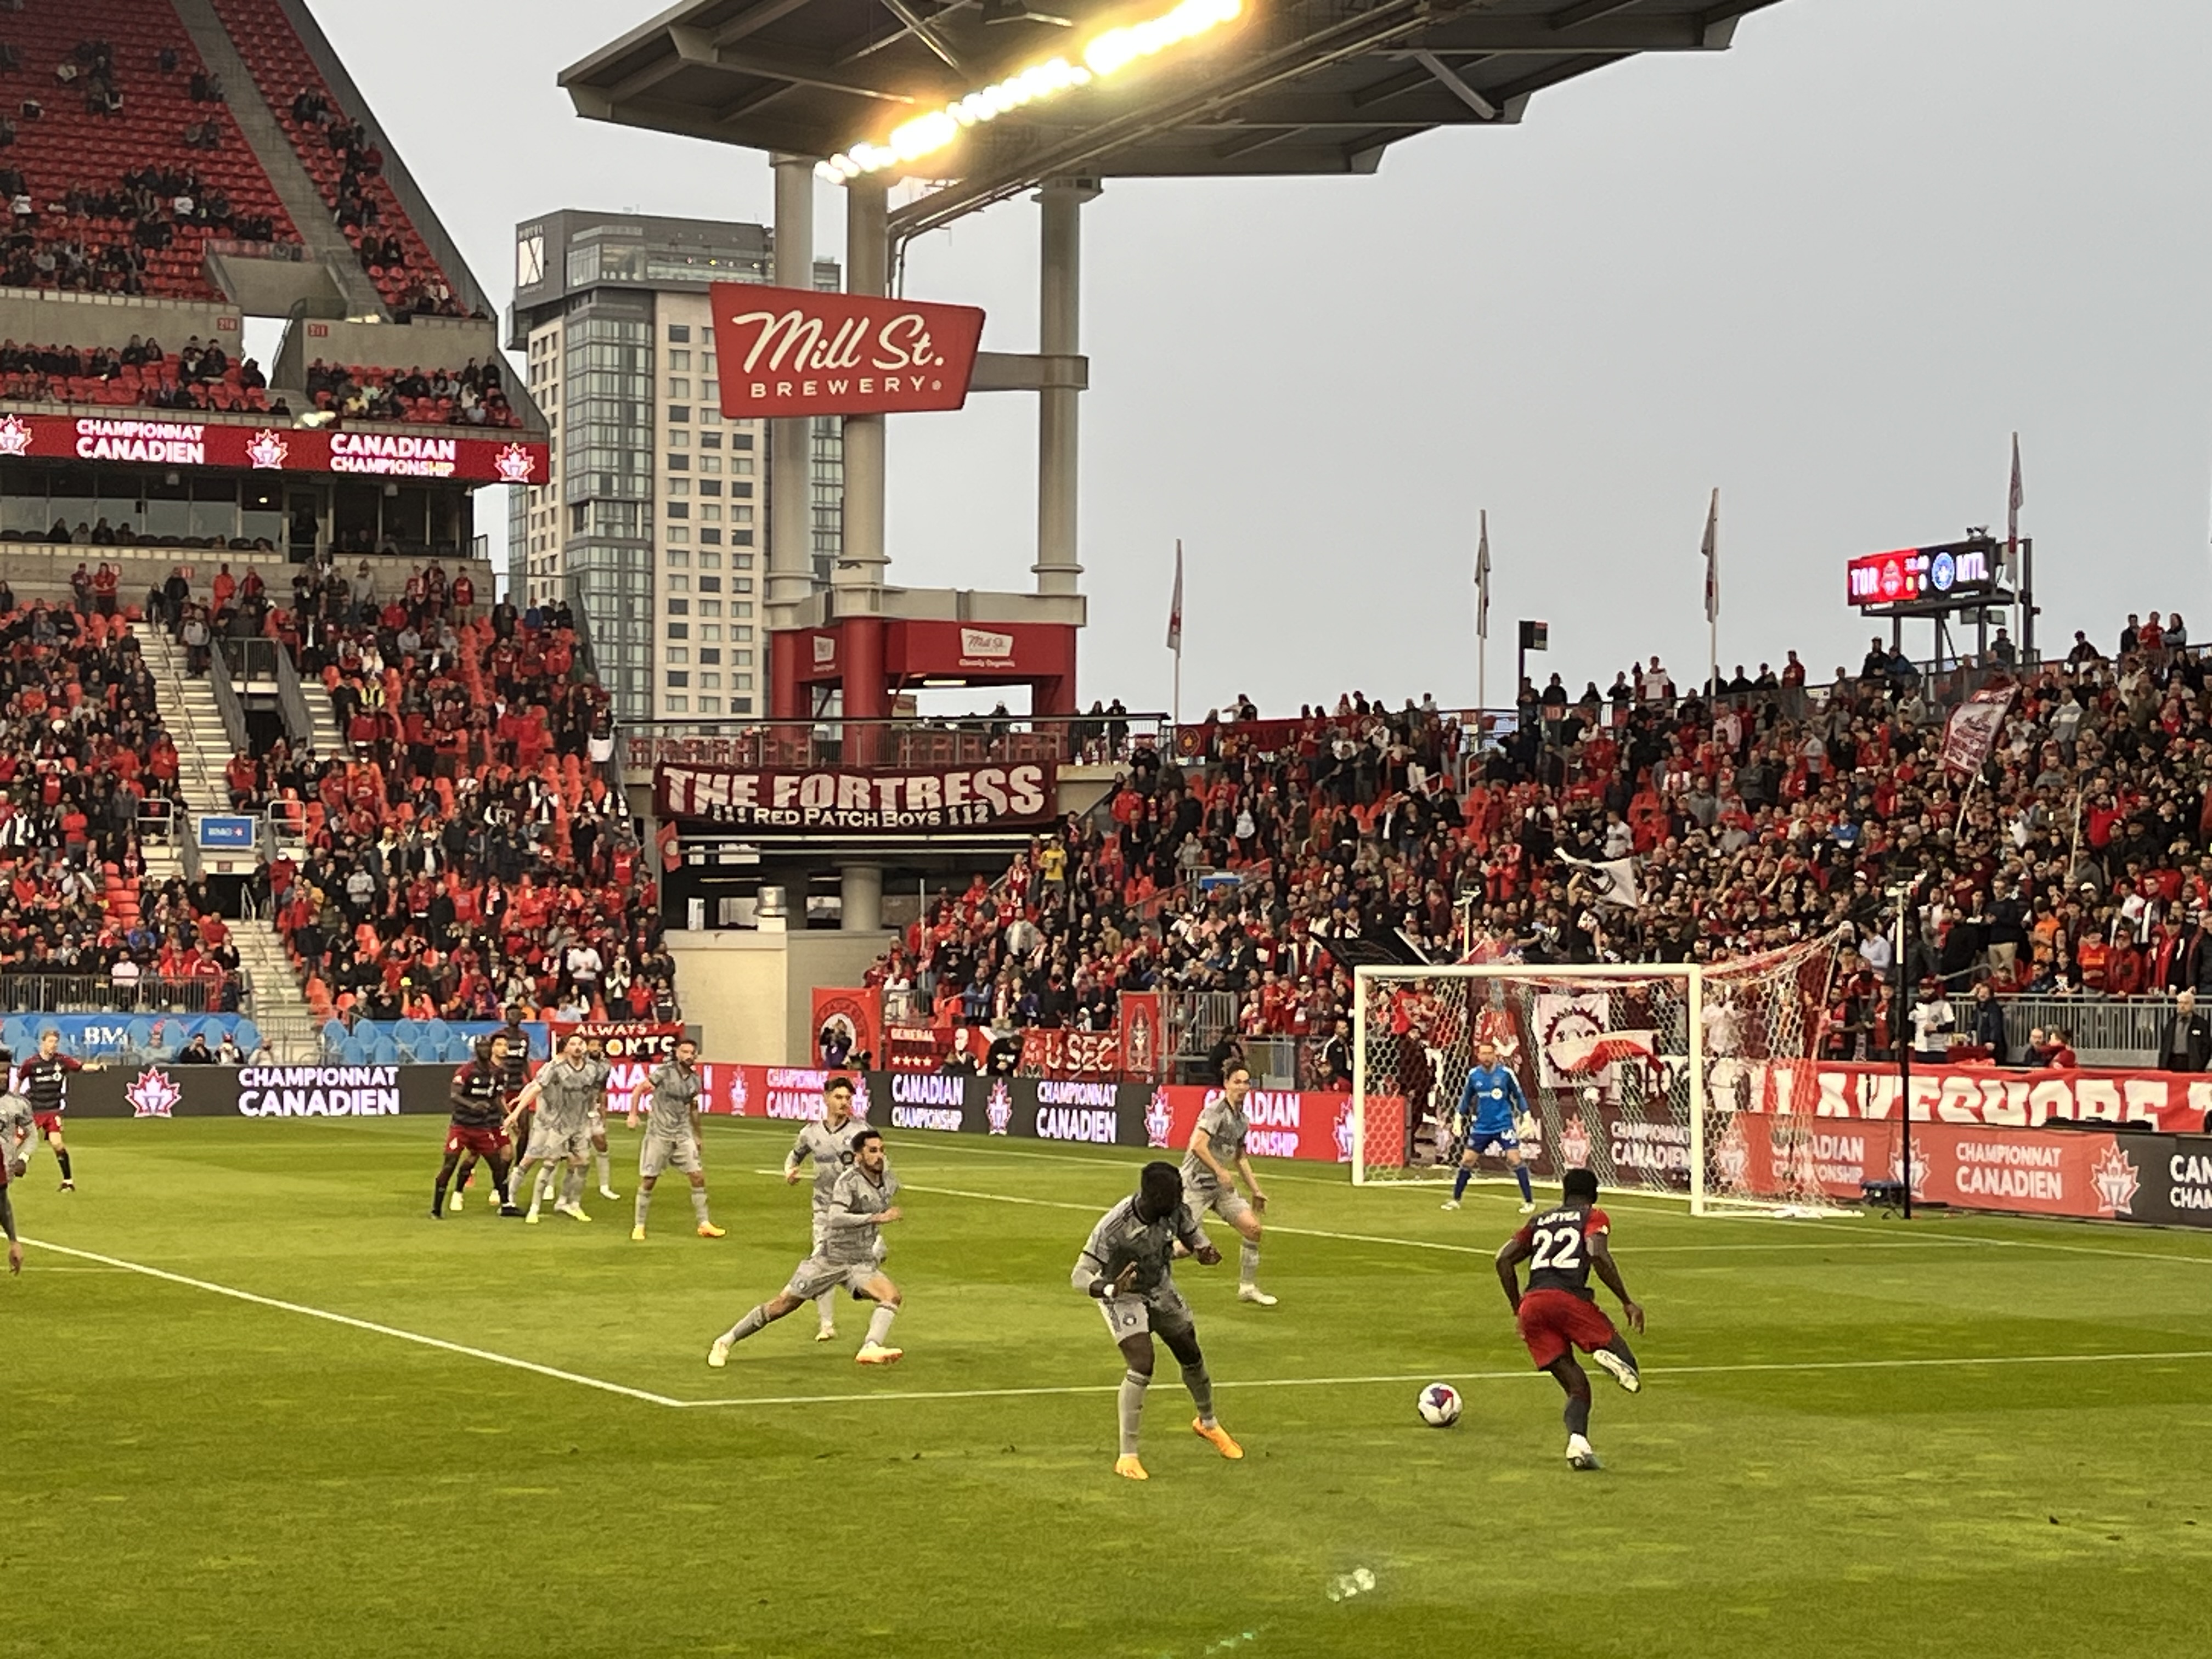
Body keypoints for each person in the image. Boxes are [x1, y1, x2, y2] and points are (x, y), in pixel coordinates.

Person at [1070, 1159, 1243, 1481]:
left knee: (1191, 1352)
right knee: (1142, 1363)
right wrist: (1110, 1287)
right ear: (1154, 1197)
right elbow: (1079, 1276)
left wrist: (1206, 1253)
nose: (1181, 1198)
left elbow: (1195, 1240)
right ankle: (1128, 1456)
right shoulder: (1114, 1226)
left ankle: (1208, 1424)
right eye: (1175, 1193)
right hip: (1123, 1295)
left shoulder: (1176, 1210)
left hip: (1161, 1289)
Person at [709, 1126, 906, 1367]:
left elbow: (887, 1194)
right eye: (873, 1151)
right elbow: (835, 1217)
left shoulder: (887, 1178)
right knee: (782, 1305)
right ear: (859, 1156)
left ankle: (871, 1346)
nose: (880, 1156)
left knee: (891, 1296)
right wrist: (876, 1219)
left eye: (882, 1150)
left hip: (860, 1261)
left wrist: (876, 1242)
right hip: (830, 1258)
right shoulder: (849, 1181)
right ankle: (725, 1341)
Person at [1494, 1167, 1646, 1471]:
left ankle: (1578, 1443)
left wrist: (1518, 1309)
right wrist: (1626, 1301)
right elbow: (1597, 1254)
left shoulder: (1539, 1220)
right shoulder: (1592, 1216)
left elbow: (1503, 1259)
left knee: (1576, 1386)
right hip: (1568, 1300)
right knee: (1630, 1367)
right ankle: (1604, 1354)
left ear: (1564, 1194)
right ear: (1594, 1195)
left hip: (1533, 1307)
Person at [783, 1075, 873, 1341]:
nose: (844, 1103)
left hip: (855, 1212)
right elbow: (795, 1155)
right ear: (826, 1098)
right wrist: (790, 1171)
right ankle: (827, 1325)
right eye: (839, 1097)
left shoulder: (861, 1131)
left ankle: (872, 1288)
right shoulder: (810, 1132)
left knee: (869, 1259)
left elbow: (878, 1162)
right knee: (822, 1263)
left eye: (848, 1098)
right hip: (824, 1212)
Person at [1179, 1062, 1275, 1306]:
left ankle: (1247, 1287)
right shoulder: (1215, 1111)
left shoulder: (1242, 1119)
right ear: (1226, 1084)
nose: (1242, 1087)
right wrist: (1220, 1170)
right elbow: (1197, 1145)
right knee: (1185, 1249)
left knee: (1253, 1229)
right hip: (1195, 1186)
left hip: (1220, 1189)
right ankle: (1139, 1267)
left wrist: (1256, 1190)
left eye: (1246, 1083)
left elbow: (1240, 1157)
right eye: (1237, 1082)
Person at [624, 1038, 723, 1240]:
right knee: (649, 1179)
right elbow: (638, 1090)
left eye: (691, 1052)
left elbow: (693, 1109)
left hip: (682, 1132)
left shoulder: (695, 1080)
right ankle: (639, 1225)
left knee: (697, 1176)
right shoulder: (664, 1072)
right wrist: (633, 1114)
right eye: (684, 1051)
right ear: (678, 1053)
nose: (688, 1056)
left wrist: (698, 1135)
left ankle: (704, 1223)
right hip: (659, 1133)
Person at [503, 1032, 606, 1222]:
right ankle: (509, 1198)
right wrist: (517, 1110)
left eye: (580, 1044)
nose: (577, 1048)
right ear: (565, 1048)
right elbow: (536, 1086)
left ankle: (566, 1202)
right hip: (547, 1123)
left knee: (577, 1163)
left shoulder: (592, 1069)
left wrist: (593, 1115)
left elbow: (592, 1093)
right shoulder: (553, 1067)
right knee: (530, 1160)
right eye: (572, 1044)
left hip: (574, 1124)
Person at [431, 1035, 522, 1220]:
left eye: (487, 1046)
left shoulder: (496, 1073)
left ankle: (505, 1204)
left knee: (498, 1165)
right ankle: (436, 1208)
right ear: (475, 1049)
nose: (484, 1049)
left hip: (483, 1127)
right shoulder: (466, 1071)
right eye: (481, 1046)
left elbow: (497, 1097)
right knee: (450, 1164)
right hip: (461, 1127)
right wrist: (473, 1106)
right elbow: (454, 1095)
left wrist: (508, 1117)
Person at [1443, 1037, 1535, 1214]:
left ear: (1495, 1055)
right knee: (1467, 1160)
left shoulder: (1506, 1074)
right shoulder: (1474, 1075)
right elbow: (1465, 1099)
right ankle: (1455, 1199)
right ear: (1478, 1055)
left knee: (1515, 1159)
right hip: (1482, 1127)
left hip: (1503, 1125)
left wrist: (1526, 1116)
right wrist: (1458, 1118)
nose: (1486, 1057)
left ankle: (1529, 1201)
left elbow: (1519, 1095)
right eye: (1483, 1053)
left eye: (1489, 1053)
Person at [12, 1028, 84, 1190]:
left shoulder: (61, 1061)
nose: (53, 1045)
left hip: (52, 1111)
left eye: (56, 1042)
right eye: (50, 1041)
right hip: (33, 1110)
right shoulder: (31, 1063)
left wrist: (99, 1067)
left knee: (58, 1144)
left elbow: (81, 1067)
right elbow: (19, 1082)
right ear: (43, 1042)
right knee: (15, 1141)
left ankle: (68, 1182)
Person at [2162, 988, 2212, 1073]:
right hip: (2172, 1064)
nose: (2182, 1006)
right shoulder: (2171, 1023)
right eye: (2180, 1003)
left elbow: (2207, 1048)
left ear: (2192, 1005)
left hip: (2192, 1065)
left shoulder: (2201, 1024)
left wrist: (2200, 1065)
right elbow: (2164, 1046)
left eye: (2186, 1003)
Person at [1908, 976, 1955, 1065]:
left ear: (1934, 989)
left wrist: (1937, 1028)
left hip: (1938, 1049)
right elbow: (1909, 1026)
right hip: (1920, 1049)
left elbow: (1951, 1026)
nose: (1926, 992)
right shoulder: (1915, 1006)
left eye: (1929, 989)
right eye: (1923, 989)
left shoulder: (1944, 1005)